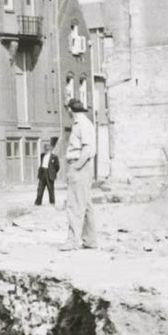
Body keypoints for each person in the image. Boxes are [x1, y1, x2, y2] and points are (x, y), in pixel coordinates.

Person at [60, 99, 98, 251]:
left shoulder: (81, 124)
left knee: (74, 204)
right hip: (83, 166)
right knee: (85, 203)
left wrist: (76, 167)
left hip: (79, 165)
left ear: (70, 110)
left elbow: (87, 149)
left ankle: (73, 241)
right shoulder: (85, 123)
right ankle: (90, 239)